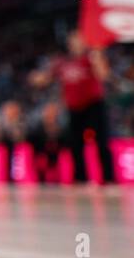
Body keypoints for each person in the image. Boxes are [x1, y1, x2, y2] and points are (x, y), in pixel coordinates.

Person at [29, 30, 116, 185]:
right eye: (74, 40)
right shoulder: (61, 62)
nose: (77, 43)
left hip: (94, 105)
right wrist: (35, 77)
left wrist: (98, 58)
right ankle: (80, 178)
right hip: (74, 108)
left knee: (102, 142)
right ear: (69, 43)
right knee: (75, 144)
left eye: (80, 40)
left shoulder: (91, 58)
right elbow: (43, 79)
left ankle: (109, 178)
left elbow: (104, 75)